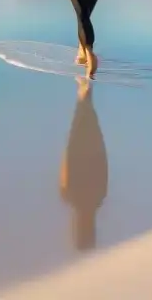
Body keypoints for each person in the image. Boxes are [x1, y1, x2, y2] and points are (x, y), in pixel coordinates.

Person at [59, 77, 108, 252]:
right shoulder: (70, 197)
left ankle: (85, 86)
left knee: (85, 115)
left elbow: (103, 173)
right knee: (84, 115)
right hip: (86, 154)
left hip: (90, 154)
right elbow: (66, 171)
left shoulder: (97, 198)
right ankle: (85, 85)